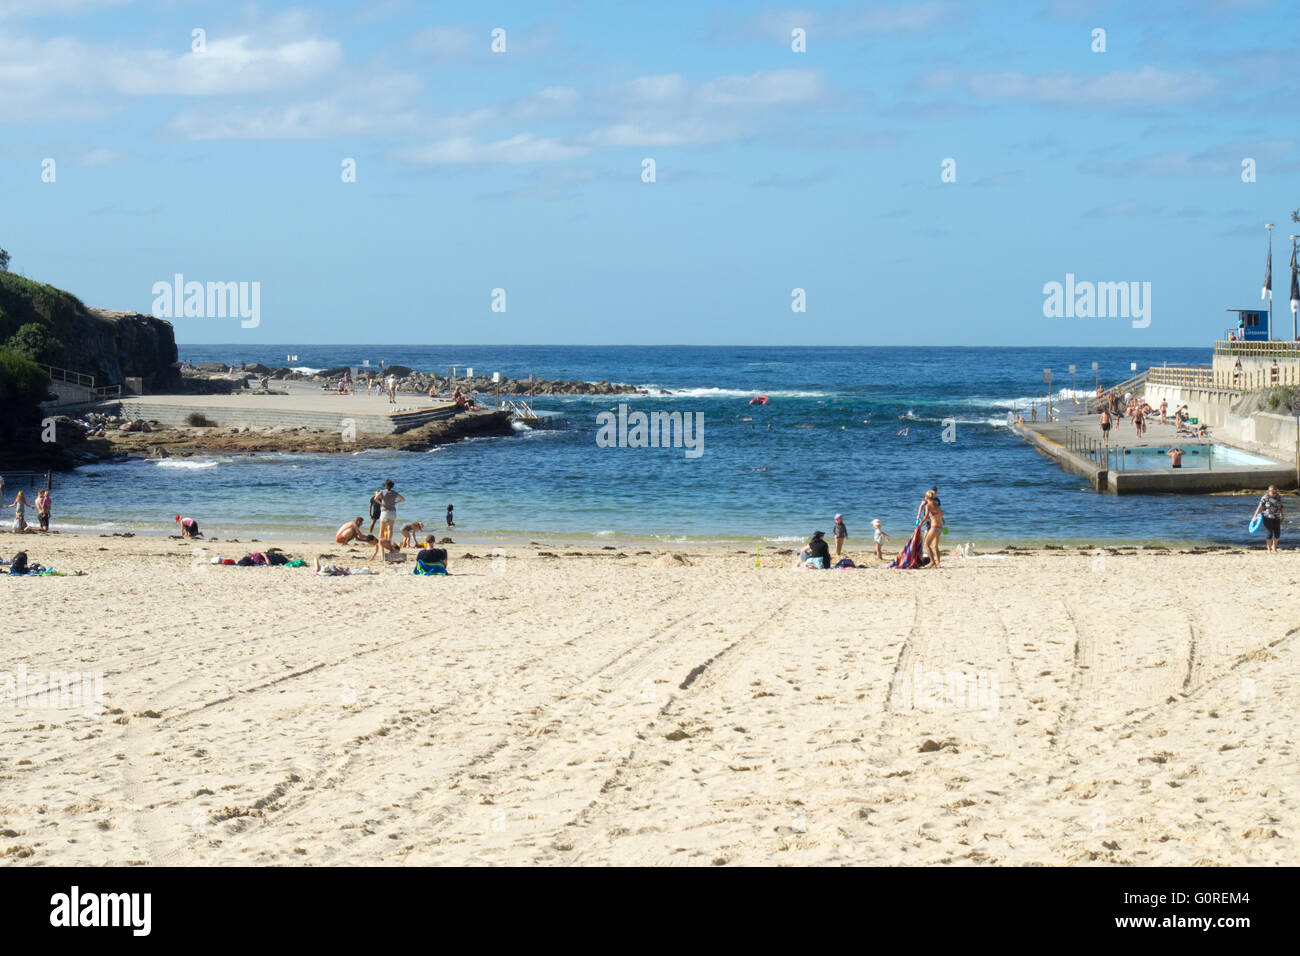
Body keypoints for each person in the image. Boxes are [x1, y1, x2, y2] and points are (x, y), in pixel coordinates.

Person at [1252, 485, 1285, 553]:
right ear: (1269, 491)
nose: (1274, 494)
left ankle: (1274, 548)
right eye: (1273, 492)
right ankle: (1269, 549)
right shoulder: (1265, 497)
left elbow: (1281, 507)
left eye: (1275, 492)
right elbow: (1259, 507)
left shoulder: (1278, 497)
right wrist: (1255, 516)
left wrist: (1283, 516)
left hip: (1276, 517)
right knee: (1270, 533)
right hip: (1267, 517)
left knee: (1277, 533)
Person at [920, 489, 944, 569]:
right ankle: (938, 564)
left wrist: (920, 524)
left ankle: (932, 562)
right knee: (935, 546)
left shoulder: (928, 505)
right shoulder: (936, 504)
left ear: (926, 497)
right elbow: (942, 514)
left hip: (934, 527)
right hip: (940, 527)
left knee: (926, 544)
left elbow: (925, 517)